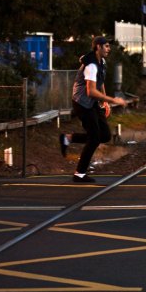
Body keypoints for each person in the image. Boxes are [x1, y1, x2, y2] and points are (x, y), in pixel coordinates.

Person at [59, 36, 127, 183]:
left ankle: (68, 138)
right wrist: (113, 100)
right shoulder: (91, 66)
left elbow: (100, 82)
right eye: (106, 46)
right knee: (95, 138)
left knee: (105, 135)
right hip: (82, 103)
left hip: (93, 102)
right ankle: (79, 173)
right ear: (98, 47)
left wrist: (105, 102)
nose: (109, 49)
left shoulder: (101, 62)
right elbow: (90, 91)